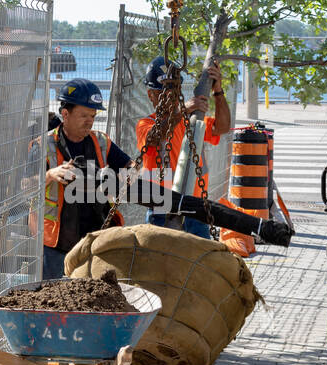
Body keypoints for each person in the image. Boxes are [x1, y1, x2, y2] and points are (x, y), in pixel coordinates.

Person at [35, 78, 133, 280]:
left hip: (97, 239)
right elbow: (22, 186)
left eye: (93, 115)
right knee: (54, 297)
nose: (90, 121)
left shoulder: (102, 141)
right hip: (57, 244)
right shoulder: (42, 146)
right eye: (84, 115)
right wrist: (50, 175)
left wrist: (127, 175)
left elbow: (130, 166)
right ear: (65, 114)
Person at [135, 57, 232, 239]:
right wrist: (184, 110)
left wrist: (218, 91)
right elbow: (154, 138)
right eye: (164, 93)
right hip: (162, 208)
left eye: (174, 91)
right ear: (151, 95)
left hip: (194, 207)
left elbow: (223, 127)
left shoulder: (191, 120)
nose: (170, 98)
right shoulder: (145, 123)